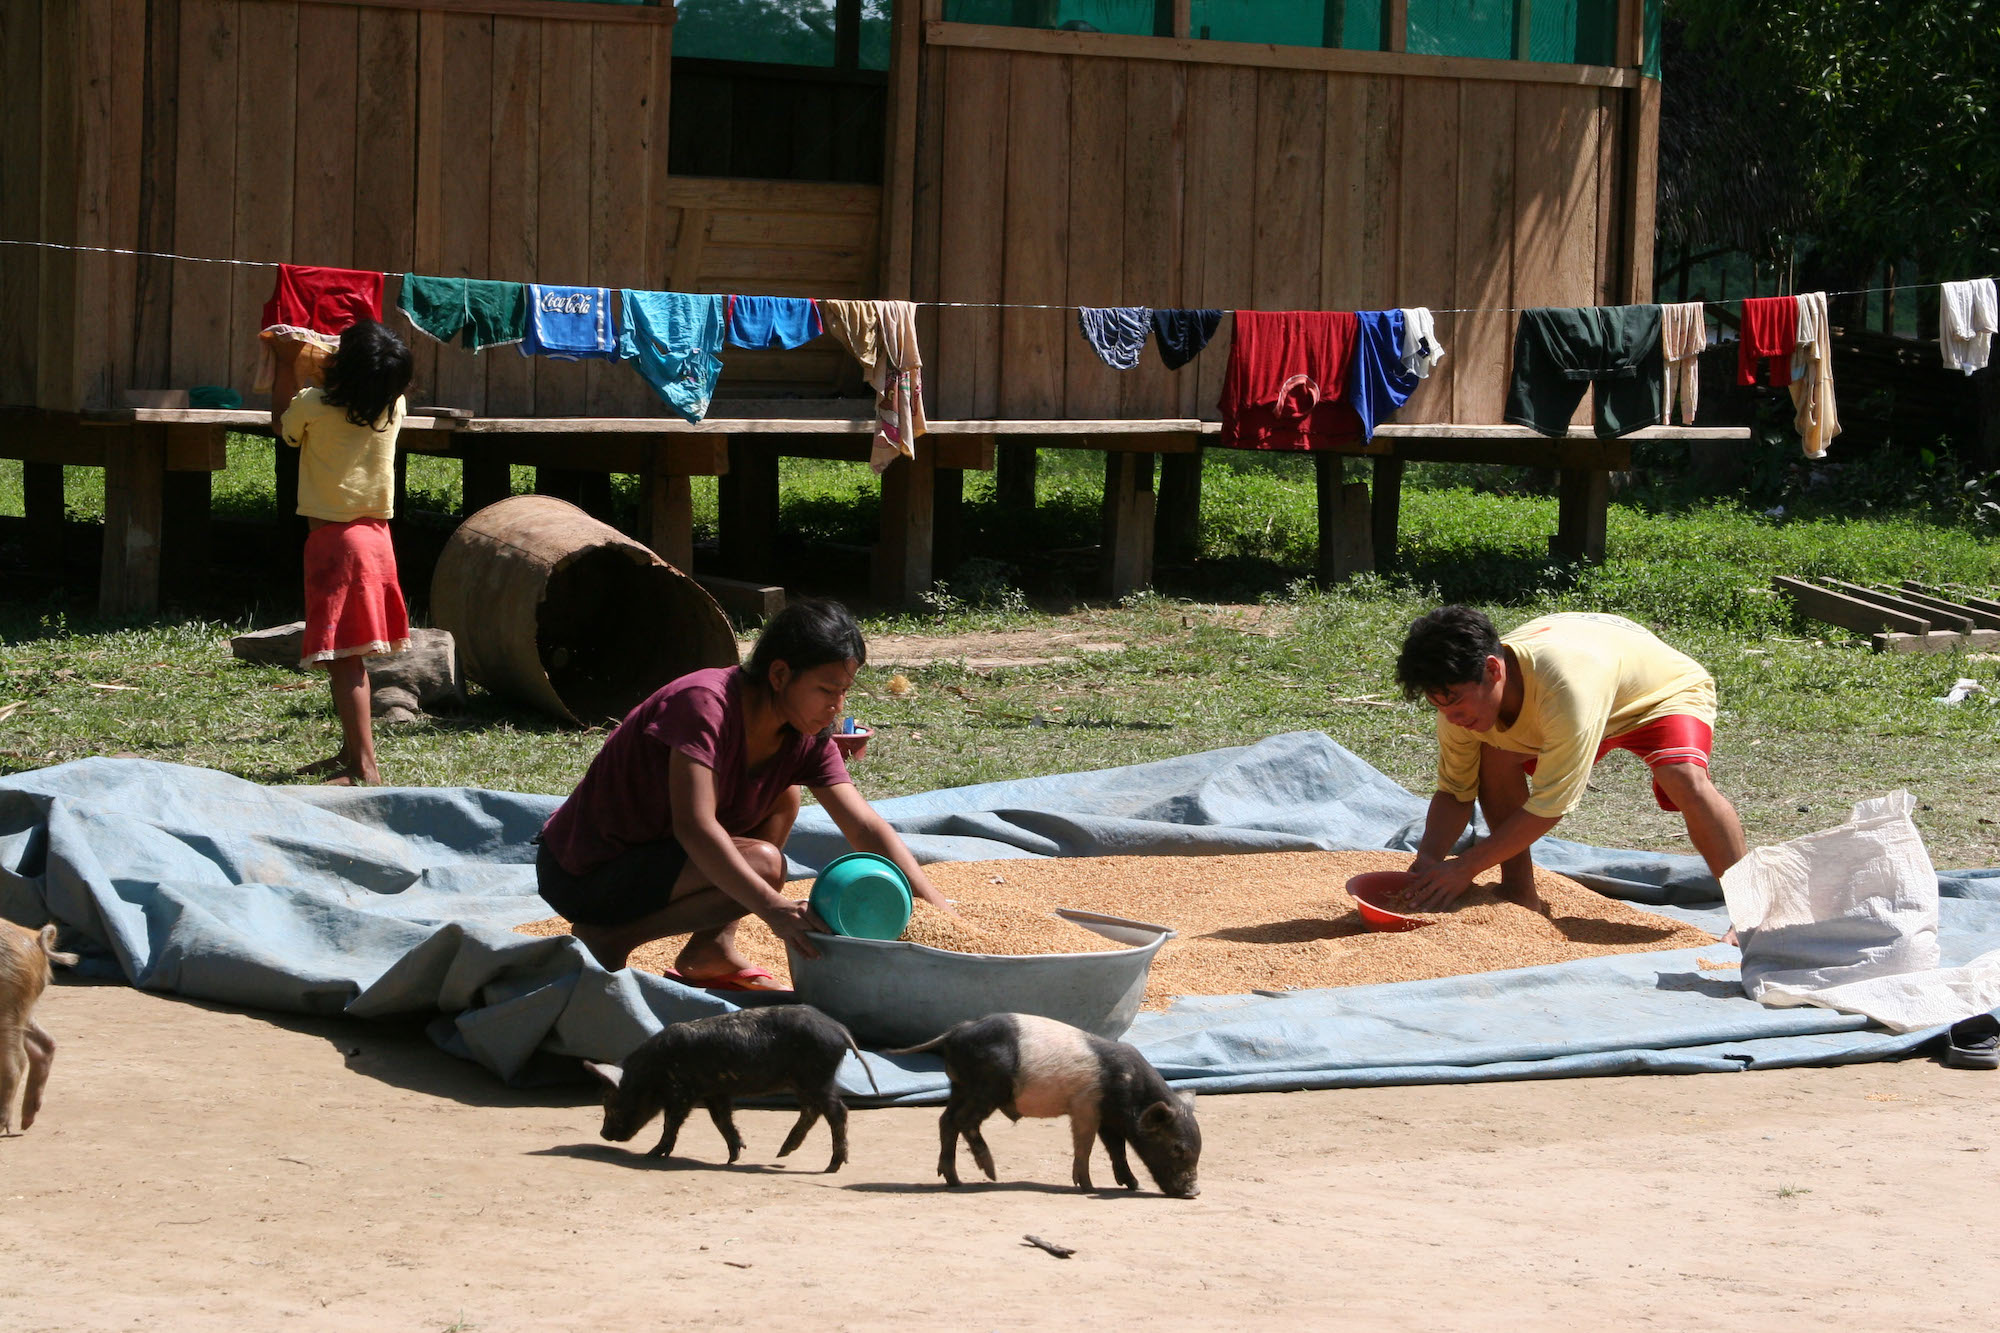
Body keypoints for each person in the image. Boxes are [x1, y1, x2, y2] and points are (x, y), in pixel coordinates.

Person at [535, 599, 950, 985]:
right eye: (826, 690)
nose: (837, 707)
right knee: (765, 866)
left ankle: (710, 947)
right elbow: (695, 827)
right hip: (585, 872)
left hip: (660, 861)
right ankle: (613, 938)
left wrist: (937, 911)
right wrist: (773, 909)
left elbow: (864, 826)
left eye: (844, 691)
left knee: (784, 795)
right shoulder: (703, 703)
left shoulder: (803, 736)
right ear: (780, 675)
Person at [1394, 606, 1748, 912]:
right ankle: (1519, 892)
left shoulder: (1566, 689)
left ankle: (1752, 911)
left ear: (1493, 670)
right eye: (1437, 705)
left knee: (1683, 777)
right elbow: (1455, 793)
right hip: (1589, 670)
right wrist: (1428, 861)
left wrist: (1465, 867)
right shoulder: (1454, 709)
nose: (1450, 717)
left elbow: (1550, 806)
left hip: (1658, 693)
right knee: (1493, 759)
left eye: (1455, 702)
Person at [279, 318, 414, 787]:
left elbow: (285, 427)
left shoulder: (313, 404)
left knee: (344, 662)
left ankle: (364, 769)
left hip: (338, 545)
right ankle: (349, 751)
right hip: (377, 541)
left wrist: (284, 362)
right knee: (351, 655)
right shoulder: (393, 404)